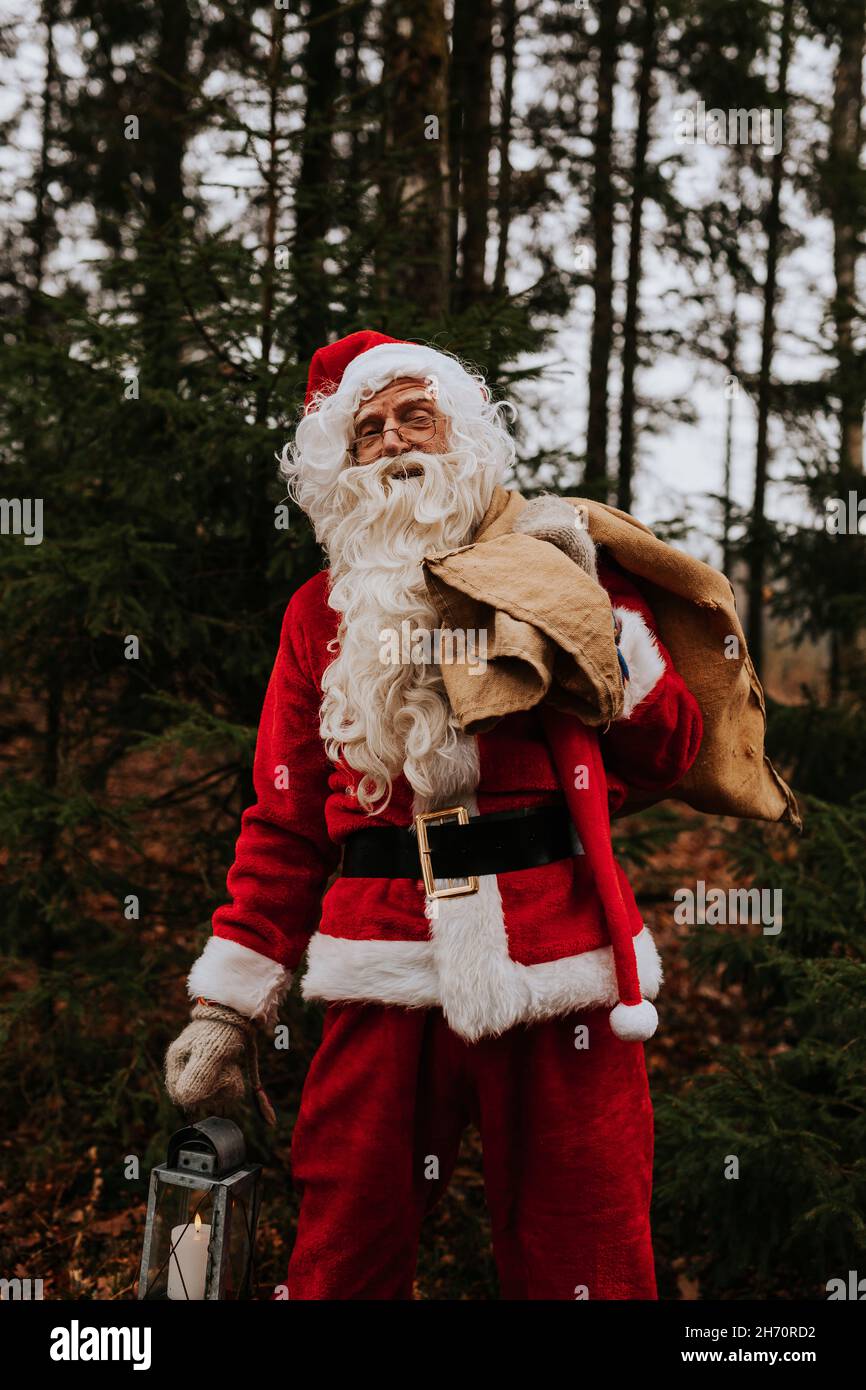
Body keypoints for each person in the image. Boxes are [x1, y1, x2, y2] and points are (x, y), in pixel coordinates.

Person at [164, 329, 703, 1299]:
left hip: (559, 969)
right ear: (338, 466)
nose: (393, 441)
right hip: (377, 965)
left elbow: (668, 752)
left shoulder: (559, 566)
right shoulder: (315, 614)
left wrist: (604, 639)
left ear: (466, 437)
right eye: (365, 429)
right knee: (342, 1252)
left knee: (588, 1251)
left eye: (416, 414)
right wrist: (228, 1007)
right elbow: (283, 822)